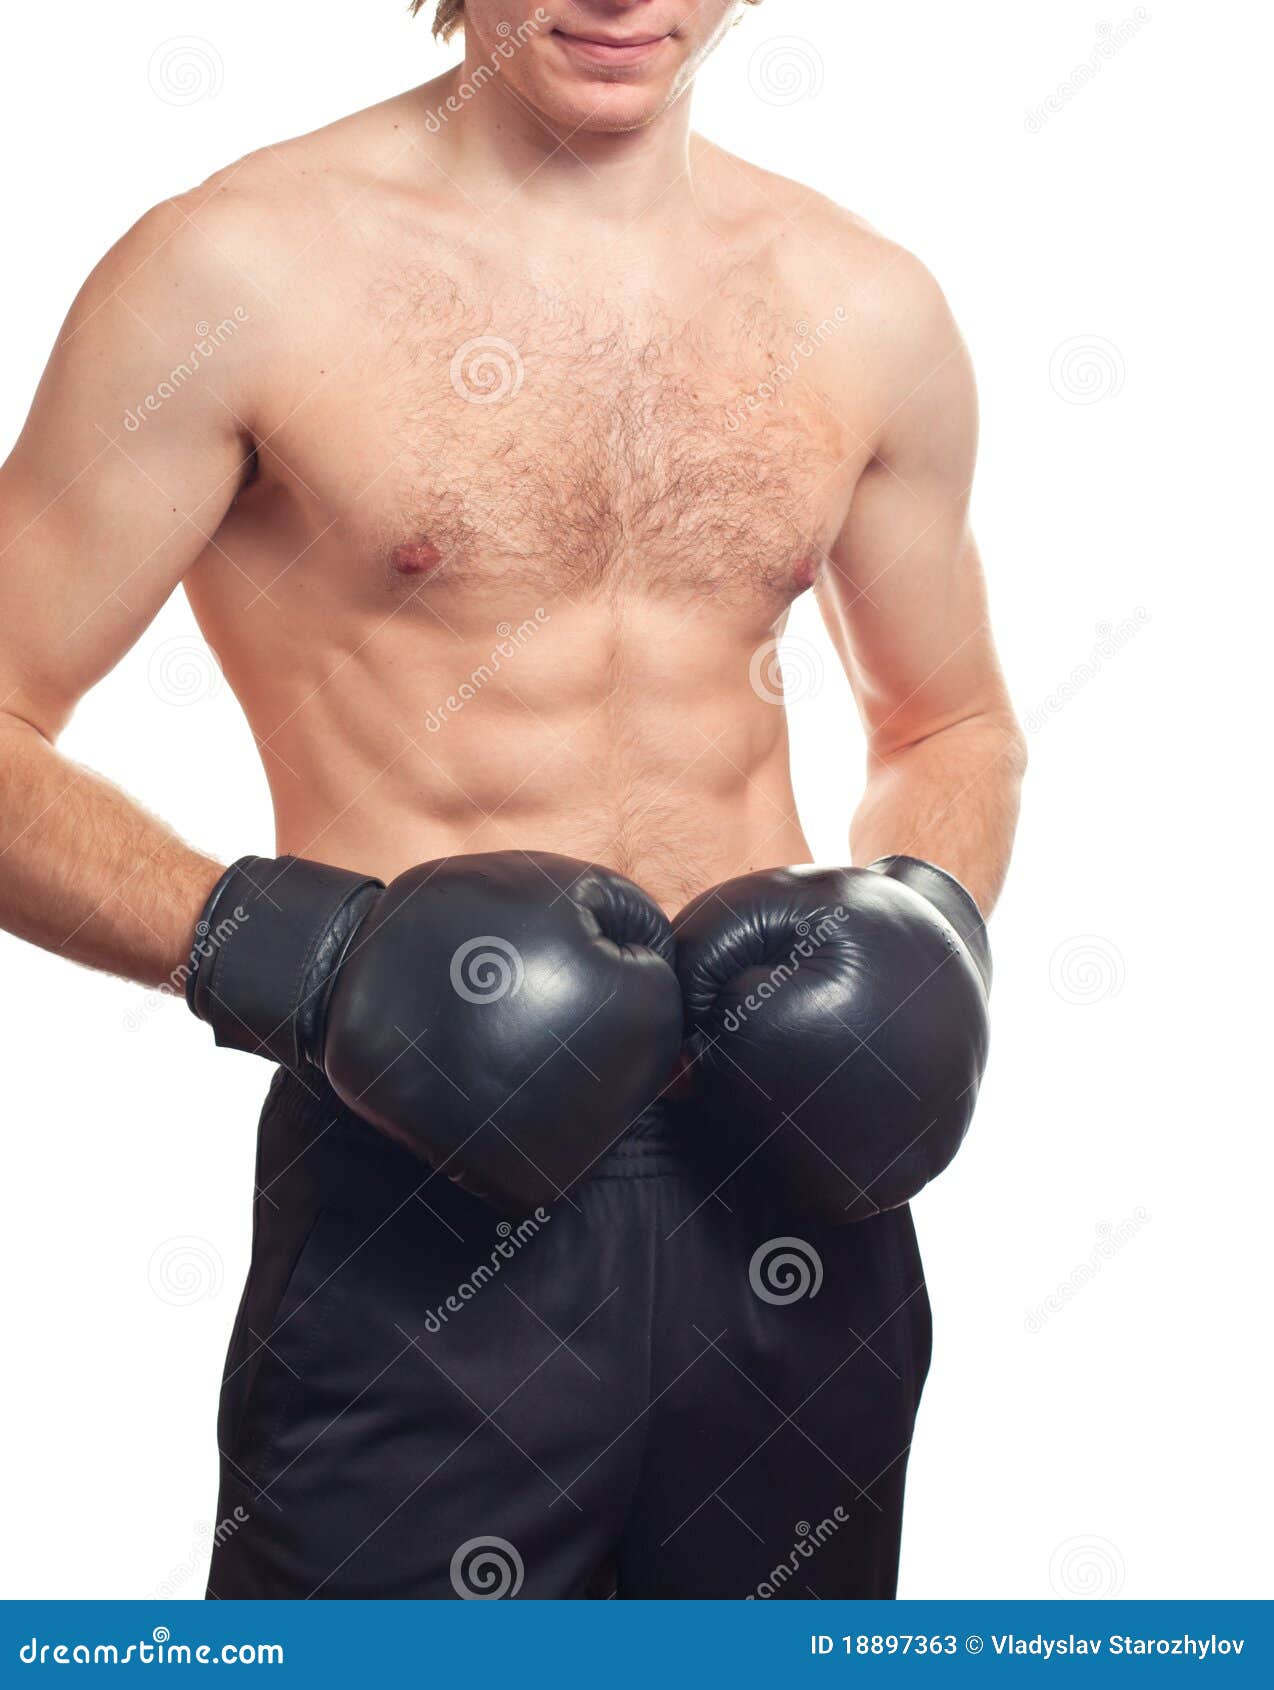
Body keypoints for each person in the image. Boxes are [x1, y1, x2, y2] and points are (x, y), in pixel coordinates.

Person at [0, 1, 1025, 1598]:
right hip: (421, 1191)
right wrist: (308, 960)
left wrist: (926, 925)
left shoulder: (862, 301)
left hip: (797, 1180)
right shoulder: (235, 273)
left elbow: (950, 718)